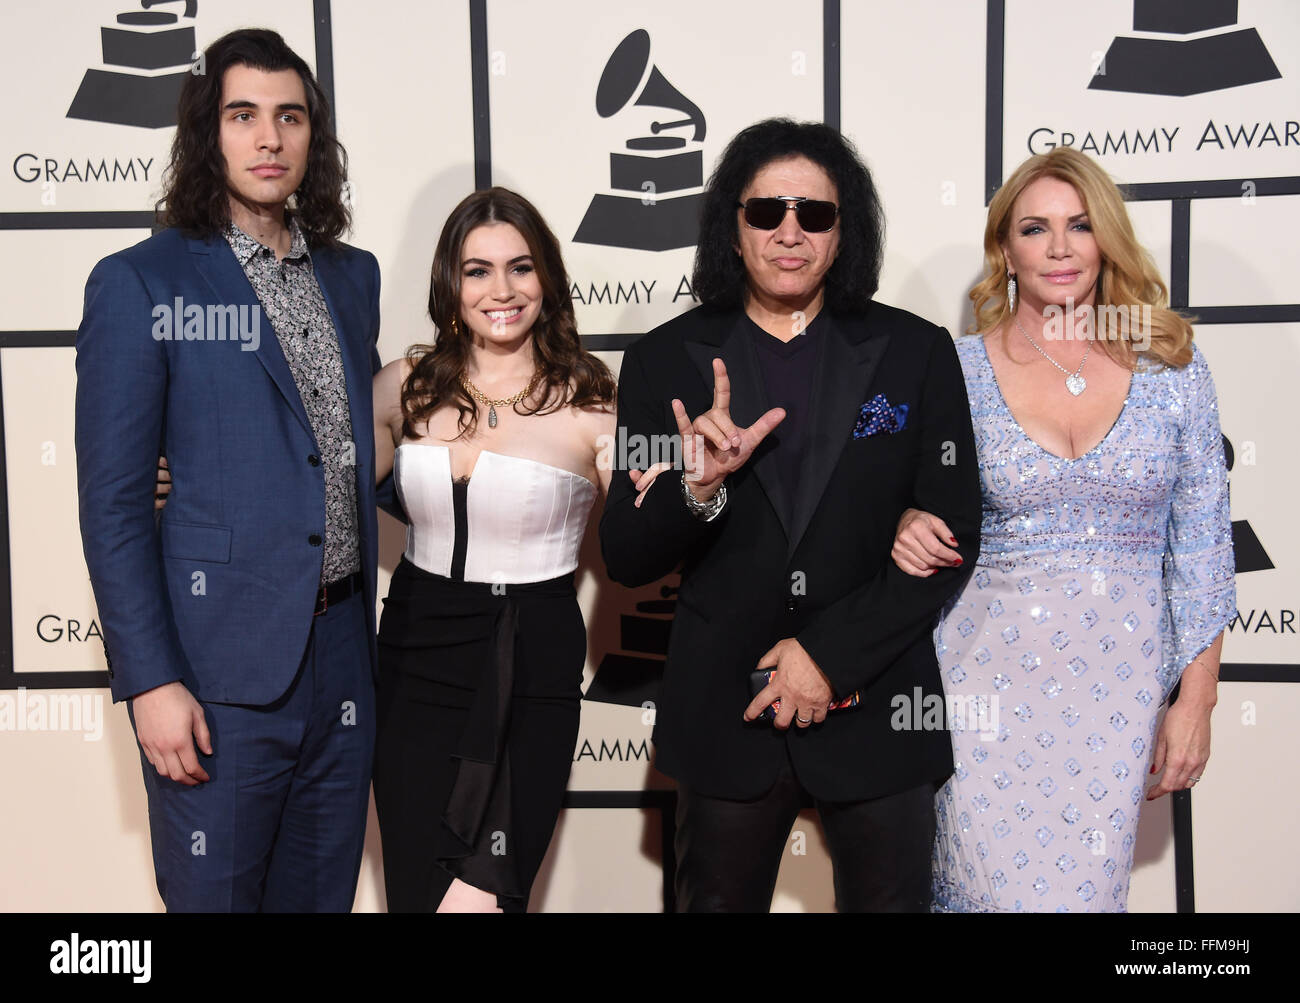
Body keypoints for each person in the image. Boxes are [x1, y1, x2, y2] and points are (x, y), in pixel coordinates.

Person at [601, 118, 984, 912]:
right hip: (724, 718)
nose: (789, 232)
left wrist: (826, 657)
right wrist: (698, 489)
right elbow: (626, 553)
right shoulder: (666, 358)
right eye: (765, 211)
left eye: (815, 214)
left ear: (845, 232)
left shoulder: (915, 350)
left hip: (877, 709)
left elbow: (954, 535)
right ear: (730, 227)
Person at [76, 29, 384, 911]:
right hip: (213, 670)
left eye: (289, 117)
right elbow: (116, 506)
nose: (269, 138)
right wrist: (150, 680)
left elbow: (345, 442)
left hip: (340, 660)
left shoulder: (351, 276)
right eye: (243, 115)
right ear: (208, 133)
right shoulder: (142, 283)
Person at [890, 147, 1236, 912]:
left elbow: (1205, 547)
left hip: (1118, 696)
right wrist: (907, 521)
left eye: (1079, 226)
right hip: (982, 691)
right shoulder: (956, 368)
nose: (1058, 247)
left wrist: (1197, 701)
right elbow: (899, 501)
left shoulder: (1172, 367)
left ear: (1105, 237)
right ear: (1004, 250)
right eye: (1034, 228)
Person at [369, 187, 617, 913]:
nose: (501, 290)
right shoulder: (402, 388)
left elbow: (648, 532)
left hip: (530, 669)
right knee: (417, 896)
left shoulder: (594, 400)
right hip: (413, 663)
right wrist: (176, 479)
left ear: (549, 278)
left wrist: (703, 488)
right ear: (451, 282)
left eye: (521, 267)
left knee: (483, 897)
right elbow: (314, 494)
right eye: (478, 270)